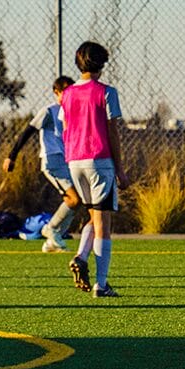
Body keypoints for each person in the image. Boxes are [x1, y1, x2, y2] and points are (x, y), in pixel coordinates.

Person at [61, 42, 130, 297]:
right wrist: (120, 169)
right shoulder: (106, 92)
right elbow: (112, 131)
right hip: (99, 161)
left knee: (93, 217)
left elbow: (65, 127)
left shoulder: (67, 94)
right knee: (103, 225)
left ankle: (81, 256)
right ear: (102, 64)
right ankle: (101, 284)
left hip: (74, 161)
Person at [3, 75, 80, 253]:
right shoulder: (49, 111)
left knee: (75, 201)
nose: (70, 95)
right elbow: (28, 131)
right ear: (56, 92)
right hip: (52, 161)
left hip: (67, 160)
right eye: (65, 91)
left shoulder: (73, 112)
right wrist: (12, 156)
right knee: (75, 199)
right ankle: (51, 229)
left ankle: (53, 240)